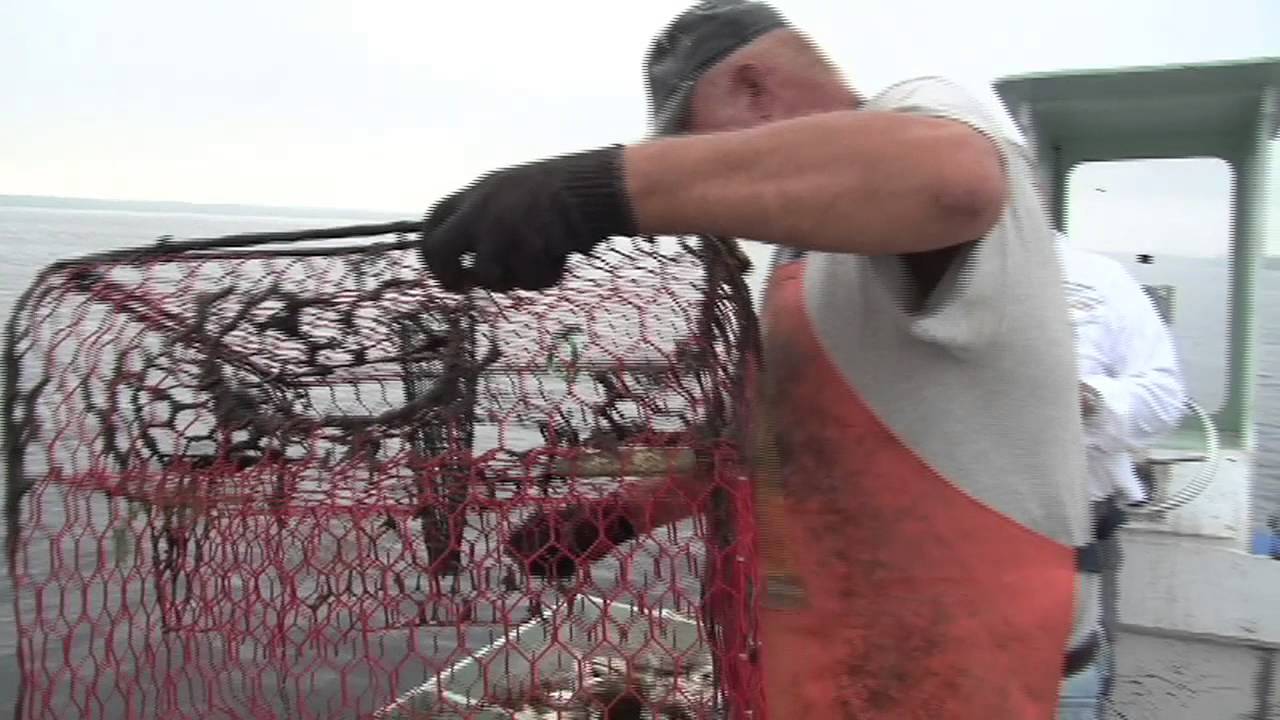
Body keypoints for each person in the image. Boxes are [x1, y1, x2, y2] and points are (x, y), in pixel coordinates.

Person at [416, 1, 1098, 717]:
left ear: (752, 85)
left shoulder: (925, 117)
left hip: (980, 673)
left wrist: (602, 189)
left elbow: (954, 182)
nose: (696, 173)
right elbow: (774, 446)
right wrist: (620, 516)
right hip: (848, 671)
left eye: (689, 141)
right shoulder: (801, 263)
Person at [1058, 233, 1188, 706]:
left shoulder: (1099, 279)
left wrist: (1086, 399)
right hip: (939, 562)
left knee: (1071, 686)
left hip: (1074, 549)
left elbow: (1163, 398)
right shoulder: (896, 283)